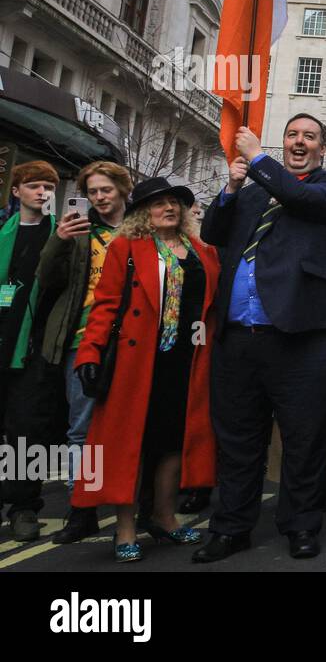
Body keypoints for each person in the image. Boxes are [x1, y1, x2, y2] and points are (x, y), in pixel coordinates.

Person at [194, 117, 326, 562]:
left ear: (322, 149)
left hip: (304, 338)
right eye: (292, 135)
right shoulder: (252, 191)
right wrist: (230, 189)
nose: (299, 142)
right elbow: (212, 234)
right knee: (238, 441)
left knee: (305, 441)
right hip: (240, 338)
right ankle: (231, 527)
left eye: (309, 137)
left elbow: (298, 196)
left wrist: (258, 157)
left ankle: (300, 525)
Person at [72, 179, 220, 562]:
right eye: (159, 204)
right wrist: (89, 353)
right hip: (136, 362)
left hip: (186, 362)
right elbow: (105, 305)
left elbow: (212, 308)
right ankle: (124, 527)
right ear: (142, 212)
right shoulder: (127, 247)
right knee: (130, 444)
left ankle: (163, 516)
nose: (169, 208)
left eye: (175, 203)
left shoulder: (201, 251)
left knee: (173, 440)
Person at [36, 161, 133, 543]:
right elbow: (47, 279)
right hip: (82, 340)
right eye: (92, 192)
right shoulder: (78, 232)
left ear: (123, 190)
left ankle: (133, 504)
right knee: (81, 430)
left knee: (129, 427)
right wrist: (58, 240)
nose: (99, 198)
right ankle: (82, 509)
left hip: (131, 343)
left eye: (106, 190)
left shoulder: (141, 231)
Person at [0, 160, 58, 541]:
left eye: (48, 188)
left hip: (32, 349)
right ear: (17, 190)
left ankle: (23, 507)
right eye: (35, 186)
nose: (42, 193)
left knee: (27, 434)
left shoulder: (61, 234)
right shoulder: (2, 232)